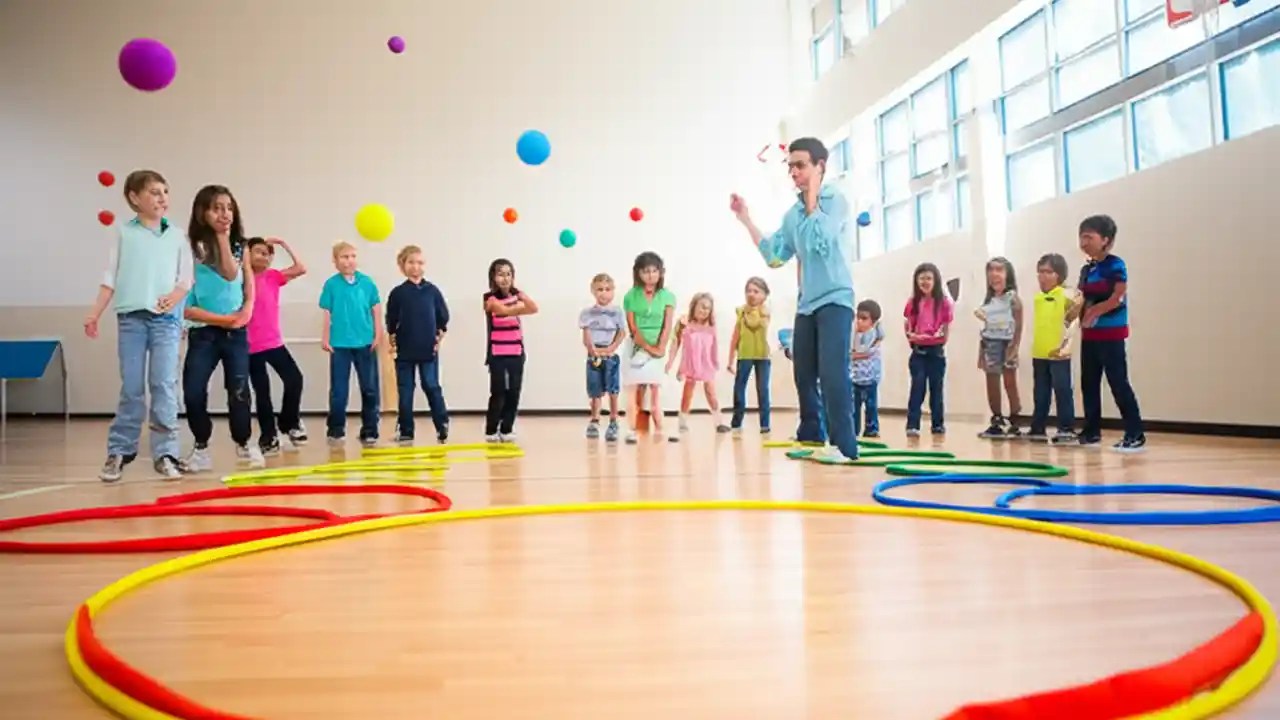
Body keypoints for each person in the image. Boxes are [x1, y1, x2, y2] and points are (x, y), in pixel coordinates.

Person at [729, 137, 858, 462]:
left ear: (820, 167)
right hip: (807, 304)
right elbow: (774, 256)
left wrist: (813, 196)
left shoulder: (836, 201)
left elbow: (821, 239)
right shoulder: (792, 216)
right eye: (791, 167)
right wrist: (745, 219)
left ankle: (844, 446)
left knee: (832, 372)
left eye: (801, 166)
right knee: (803, 373)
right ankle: (812, 434)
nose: (794, 173)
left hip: (836, 298)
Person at [85, 169, 193, 482]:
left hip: (166, 322)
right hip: (131, 319)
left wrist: (173, 297)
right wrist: (94, 314)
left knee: (163, 385)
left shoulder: (176, 235)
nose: (162, 198)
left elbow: (185, 278)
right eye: (154, 192)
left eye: (165, 191)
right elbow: (110, 278)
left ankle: (166, 452)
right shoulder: (123, 232)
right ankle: (120, 450)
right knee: (132, 387)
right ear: (135, 198)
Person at [180, 185, 262, 470]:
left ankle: (243, 443)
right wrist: (227, 319)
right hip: (203, 332)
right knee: (193, 389)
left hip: (235, 334)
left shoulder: (241, 245)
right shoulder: (192, 248)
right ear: (202, 212)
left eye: (228, 207)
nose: (224, 213)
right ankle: (201, 446)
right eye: (216, 207)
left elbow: (244, 279)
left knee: (239, 389)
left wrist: (248, 307)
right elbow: (189, 306)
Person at [1077, 214, 1146, 452]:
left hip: (1112, 335)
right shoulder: (1087, 269)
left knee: (1118, 382)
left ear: (1105, 240)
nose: (1084, 242)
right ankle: (1091, 431)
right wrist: (1077, 318)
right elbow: (1081, 299)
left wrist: (1095, 311)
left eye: (1089, 237)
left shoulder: (1116, 265)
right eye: (1081, 237)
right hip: (1090, 337)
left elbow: (1118, 297)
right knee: (1089, 383)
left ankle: (1135, 433)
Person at [245, 236, 308, 455]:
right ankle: (268, 436)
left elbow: (301, 268)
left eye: (266, 253)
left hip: (273, 342)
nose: (263, 256)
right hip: (250, 347)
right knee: (262, 393)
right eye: (258, 252)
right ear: (247, 253)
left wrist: (283, 244)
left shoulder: (273, 277)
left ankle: (288, 423)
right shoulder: (241, 278)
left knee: (295, 380)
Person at [320, 241, 383, 447]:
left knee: (370, 387)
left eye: (352, 256)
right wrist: (325, 337)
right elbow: (327, 312)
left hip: (365, 342)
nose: (349, 261)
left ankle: (370, 429)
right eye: (344, 257)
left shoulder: (367, 283)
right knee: (339, 390)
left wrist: (378, 334)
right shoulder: (331, 285)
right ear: (335, 261)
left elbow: (375, 309)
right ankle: (336, 429)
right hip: (340, 345)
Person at [386, 245, 451, 445]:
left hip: (427, 349)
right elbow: (391, 321)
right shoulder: (398, 293)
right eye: (411, 262)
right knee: (405, 389)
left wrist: (439, 337)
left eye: (420, 263)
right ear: (402, 265)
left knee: (431, 385)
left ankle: (442, 424)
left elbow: (443, 317)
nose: (416, 267)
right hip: (405, 350)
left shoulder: (432, 291)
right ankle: (406, 429)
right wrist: (392, 340)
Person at [622, 251, 677, 444]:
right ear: (638, 273)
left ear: (661, 272)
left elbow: (668, 325)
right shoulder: (630, 296)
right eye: (646, 271)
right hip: (638, 348)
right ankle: (633, 428)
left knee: (655, 389)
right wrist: (645, 346)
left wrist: (660, 348)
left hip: (658, 348)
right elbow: (632, 328)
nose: (651, 275)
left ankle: (660, 428)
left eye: (654, 271)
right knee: (634, 389)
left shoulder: (668, 296)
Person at [483, 258, 537, 442]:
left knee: (514, 391)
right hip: (497, 353)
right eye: (500, 274)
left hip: (516, 352)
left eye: (508, 274)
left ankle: (506, 428)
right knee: (499, 392)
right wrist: (519, 308)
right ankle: (491, 429)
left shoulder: (517, 295)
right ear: (493, 277)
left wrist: (520, 299)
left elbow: (534, 308)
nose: (505, 279)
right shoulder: (489, 298)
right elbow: (500, 310)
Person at [1028, 253, 1080, 443]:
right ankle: (1038, 427)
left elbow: (1073, 321)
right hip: (1040, 352)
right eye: (1040, 272)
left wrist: (1065, 346)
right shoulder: (1039, 297)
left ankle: (1066, 428)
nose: (1043, 276)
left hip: (1059, 354)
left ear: (1059, 274)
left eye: (1048, 272)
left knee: (1062, 390)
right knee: (1040, 392)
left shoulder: (1067, 295)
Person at [975, 257, 1024, 439]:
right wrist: (982, 352)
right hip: (990, 343)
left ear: (1007, 275)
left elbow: (1019, 324)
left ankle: (1015, 419)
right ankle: (996, 418)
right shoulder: (988, 301)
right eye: (991, 270)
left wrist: (1015, 346)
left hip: (1007, 342)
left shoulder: (1013, 299)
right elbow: (986, 326)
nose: (994, 274)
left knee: (1010, 382)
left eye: (999, 270)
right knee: (992, 381)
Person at [667, 292, 729, 433]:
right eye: (701, 307)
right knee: (688, 393)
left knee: (711, 392)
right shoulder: (685, 325)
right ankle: (682, 420)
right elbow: (676, 343)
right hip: (690, 364)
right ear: (693, 306)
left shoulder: (710, 327)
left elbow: (714, 347)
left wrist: (715, 362)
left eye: (707, 308)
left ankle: (718, 422)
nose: (704, 311)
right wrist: (672, 364)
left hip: (706, 364)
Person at [904, 262, 953, 436]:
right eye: (922, 278)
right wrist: (914, 338)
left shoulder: (944, 303)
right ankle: (912, 424)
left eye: (929, 278)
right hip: (918, 352)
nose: (925, 282)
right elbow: (908, 325)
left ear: (935, 280)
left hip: (936, 352)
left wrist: (933, 339)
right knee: (917, 387)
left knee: (936, 389)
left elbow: (945, 330)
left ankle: (937, 424)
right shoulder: (912, 303)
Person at [578, 273, 625, 441]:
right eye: (599, 289)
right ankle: (595, 419)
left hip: (610, 356)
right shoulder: (587, 313)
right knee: (595, 391)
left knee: (613, 390)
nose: (603, 293)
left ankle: (613, 420)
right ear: (593, 291)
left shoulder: (617, 312)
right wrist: (593, 350)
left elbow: (621, 333)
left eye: (607, 289)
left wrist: (611, 348)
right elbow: (586, 336)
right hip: (594, 355)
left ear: (613, 291)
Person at [728, 277, 772, 434]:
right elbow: (736, 335)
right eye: (748, 291)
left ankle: (765, 424)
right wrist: (730, 358)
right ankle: (736, 422)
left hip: (762, 355)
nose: (751, 294)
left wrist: (750, 311)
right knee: (739, 388)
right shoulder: (740, 312)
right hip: (744, 354)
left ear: (764, 295)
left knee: (763, 390)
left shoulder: (765, 311)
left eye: (756, 291)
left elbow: (755, 323)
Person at [850, 299, 883, 438]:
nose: (859, 321)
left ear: (873, 322)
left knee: (871, 406)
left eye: (864, 318)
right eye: (858, 317)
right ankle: (854, 429)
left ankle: (872, 429)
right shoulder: (855, 334)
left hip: (870, 378)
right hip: (855, 378)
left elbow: (865, 352)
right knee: (854, 407)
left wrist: (852, 356)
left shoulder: (874, 335)